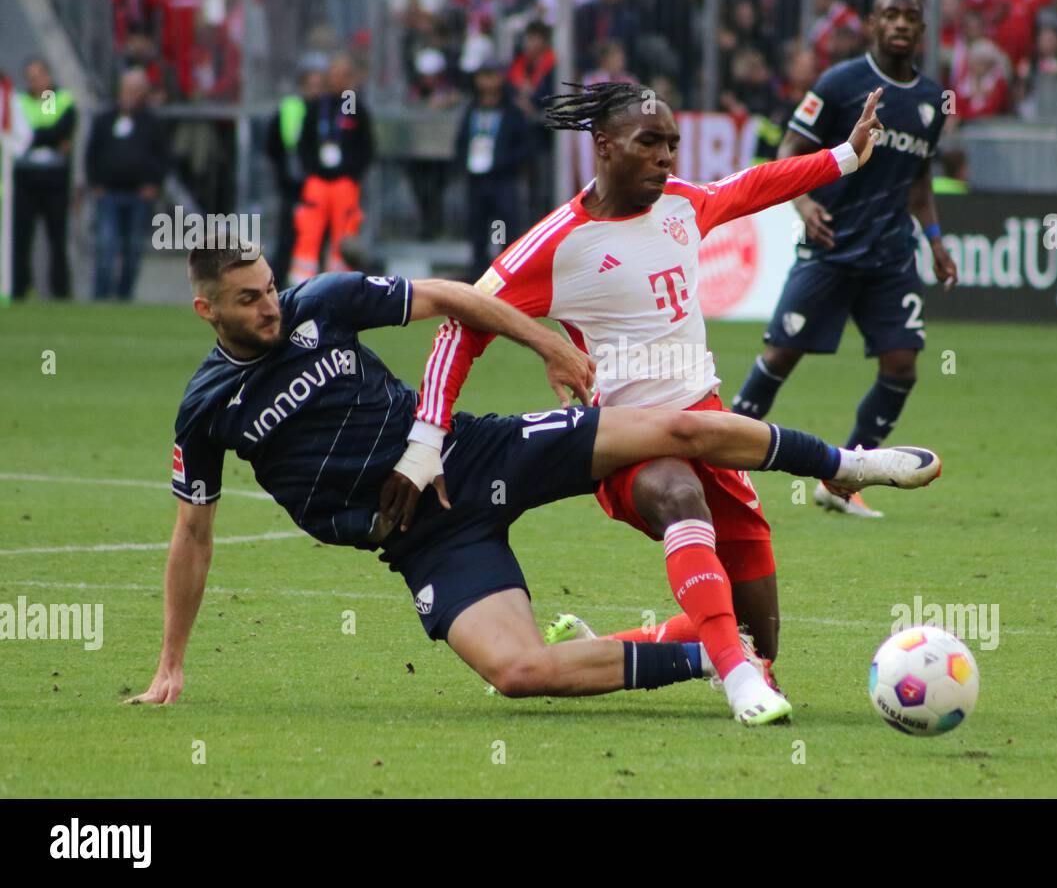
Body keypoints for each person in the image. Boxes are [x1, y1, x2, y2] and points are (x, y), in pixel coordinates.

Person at [129, 240, 925, 725]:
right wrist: (171, 663)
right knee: (519, 674)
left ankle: (848, 463)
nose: (270, 306)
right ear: (205, 309)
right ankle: (709, 653)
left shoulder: (322, 303)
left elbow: (453, 299)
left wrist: (544, 342)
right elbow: (192, 532)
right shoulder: (205, 411)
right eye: (248, 299)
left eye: (269, 287)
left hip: (475, 454)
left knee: (673, 426)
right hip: (424, 540)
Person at [398, 74, 940, 709]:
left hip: (714, 432)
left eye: (672, 144)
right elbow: (462, 328)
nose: (664, 156)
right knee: (679, 496)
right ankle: (739, 677)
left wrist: (845, 156)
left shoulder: (683, 202)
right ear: (601, 144)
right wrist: (427, 436)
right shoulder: (556, 244)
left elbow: (753, 186)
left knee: (759, 636)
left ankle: (615, 652)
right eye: (648, 141)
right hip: (624, 441)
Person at [731, 0, 959, 519]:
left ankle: (841, 481)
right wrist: (803, 203)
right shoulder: (840, 84)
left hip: (891, 255)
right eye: (890, 14)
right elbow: (789, 150)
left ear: (921, 31)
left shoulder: (931, 101)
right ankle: (722, 464)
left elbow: (918, 178)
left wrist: (934, 239)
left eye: (911, 16)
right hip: (831, 244)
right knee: (781, 355)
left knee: (902, 367)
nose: (901, 24)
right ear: (873, 24)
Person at [289, 53, 373, 285]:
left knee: (344, 237)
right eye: (333, 74)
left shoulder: (352, 105)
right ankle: (300, 285)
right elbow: (303, 143)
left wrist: (351, 172)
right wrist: (312, 168)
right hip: (317, 181)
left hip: (344, 183)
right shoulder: (317, 106)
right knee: (308, 234)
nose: (337, 80)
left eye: (343, 75)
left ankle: (340, 285)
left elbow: (364, 145)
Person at [84, 69, 169, 301]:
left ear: (143, 93)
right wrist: (95, 183)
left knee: (133, 249)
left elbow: (162, 157)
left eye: (136, 89)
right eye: (128, 88)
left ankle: (124, 296)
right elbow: (91, 154)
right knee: (106, 246)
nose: (131, 94)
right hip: (108, 193)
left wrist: (154, 183)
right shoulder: (104, 119)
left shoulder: (152, 123)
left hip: (138, 195)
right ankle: (100, 297)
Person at [453, 58, 535, 278]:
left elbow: (525, 147)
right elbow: (461, 142)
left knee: (503, 229)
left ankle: (504, 275)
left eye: (491, 76)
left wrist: (502, 162)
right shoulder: (472, 110)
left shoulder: (512, 112)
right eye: (482, 77)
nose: (487, 83)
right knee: (478, 229)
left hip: (502, 181)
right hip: (477, 181)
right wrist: (466, 163)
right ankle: (478, 275)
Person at [12, 58, 76, 300]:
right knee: (21, 238)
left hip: (53, 180)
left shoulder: (53, 99)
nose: (35, 81)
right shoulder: (18, 101)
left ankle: (59, 290)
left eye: (39, 75)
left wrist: (31, 137)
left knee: (56, 238)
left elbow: (50, 128)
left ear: (48, 76)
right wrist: (40, 138)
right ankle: (19, 287)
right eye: (30, 76)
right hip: (26, 179)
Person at [265, 61, 324, 288]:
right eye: (312, 84)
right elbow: (274, 146)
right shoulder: (291, 108)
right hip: (294, 187)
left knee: (317, 241)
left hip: (319, 187)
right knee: (288, 239)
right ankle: (277, 288)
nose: (315, 90)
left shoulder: (328, 109)